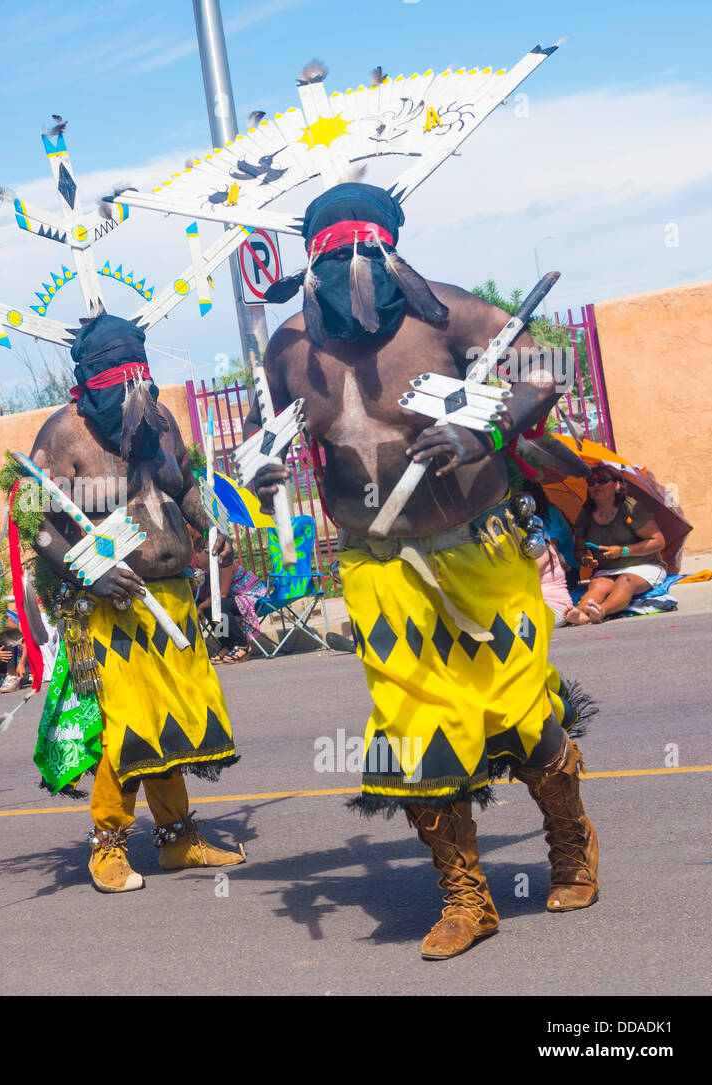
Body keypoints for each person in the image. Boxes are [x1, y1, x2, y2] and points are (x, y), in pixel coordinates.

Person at [249, 181, 597, 959]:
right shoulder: (290, 347)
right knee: (414, 735)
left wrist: (489, 431)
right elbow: (264, 429)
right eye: (329, 254)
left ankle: (570, 840)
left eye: (360, 249)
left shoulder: (452, 311)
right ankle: (464, 895)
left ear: (392, 248)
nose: (346, 266)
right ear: (309, 263)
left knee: (523, 717)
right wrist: (259, 471)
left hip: (481, 550)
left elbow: (547, 368)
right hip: (377, 566)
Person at [27, 312, 245, 894]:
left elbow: (185, 485)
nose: (135, 392)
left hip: (176, 598)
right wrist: (91, 574)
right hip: (113, 607)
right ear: (91, 378)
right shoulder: (62, 435)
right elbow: (35, 524)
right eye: (121, 380)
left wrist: (211, 524)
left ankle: (176, 840)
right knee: (125, 728)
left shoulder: (161, 417)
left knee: (168, 722)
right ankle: (108, 847)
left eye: (140, 377)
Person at [566, 469, 666, 624]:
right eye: (592, 482)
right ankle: (580, 613)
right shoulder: (586, 514)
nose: (596, 485)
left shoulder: (630, 508)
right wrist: (586, 560)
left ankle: (601, 611)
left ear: (618, 485)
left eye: (603, 480)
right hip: (606, 570)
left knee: (625, 581)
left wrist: (623, 551)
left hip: (643, 566)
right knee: (597, 585)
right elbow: (579, 550)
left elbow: (658, 541)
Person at [189, 525, 268, 664]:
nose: (196, 556)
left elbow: (223, 594)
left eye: (199, 552)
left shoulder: (224, 563)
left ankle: (242, 644)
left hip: (252, 596)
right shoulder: (210, 569)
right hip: (237, 598)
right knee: (211, 608)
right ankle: (228, 644)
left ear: (209, 552)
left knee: (217, 606)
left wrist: (200, 607)